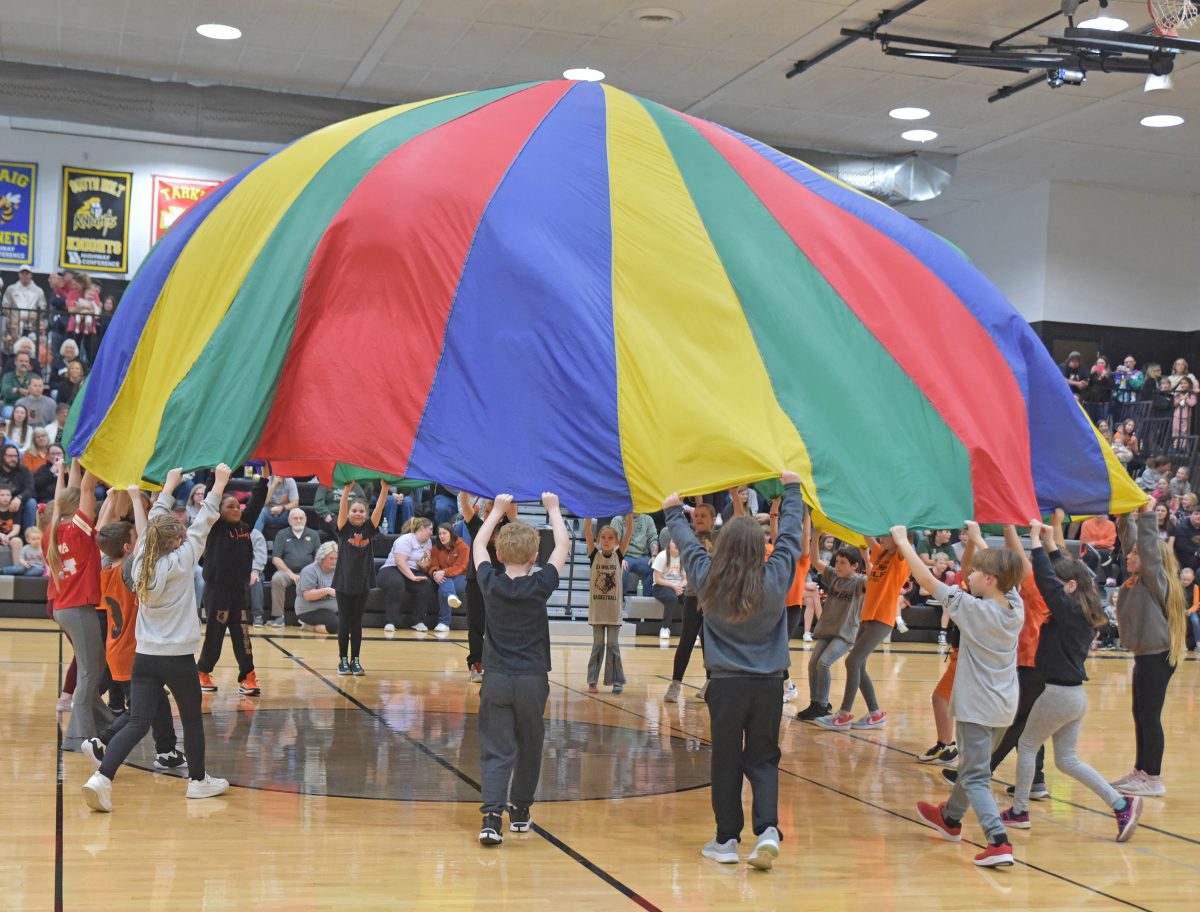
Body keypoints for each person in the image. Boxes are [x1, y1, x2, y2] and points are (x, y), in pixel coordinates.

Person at [664, 472, 803, 870]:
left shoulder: (707, 577)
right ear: (760, 547)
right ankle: (768, 830)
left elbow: (687, 542)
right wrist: (792, 490)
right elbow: (791, 537)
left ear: (722, 545)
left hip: (725, 685)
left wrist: (672, 508)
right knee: (764, 758)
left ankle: (726, 840)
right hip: (769, 685)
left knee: (726, 759)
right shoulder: (775, 576)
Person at [81, 467, 231, 812]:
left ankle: (101, 778)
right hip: (177, 658)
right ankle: (198, 781)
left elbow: (154, 524)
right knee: (191, 719)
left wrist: (169, 485)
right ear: (176, 541)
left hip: (145, 657)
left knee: (137, 721)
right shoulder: (183, 559)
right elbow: (205, 519)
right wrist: (220, 482)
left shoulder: (140, 561)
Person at [1000, 519, 1143, 842]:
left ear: (1071, 587)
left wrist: (1036, 542)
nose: (1055, 585)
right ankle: (1121, 804)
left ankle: (1019, 811)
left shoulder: (1070, 611)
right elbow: (1063, 573)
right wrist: (1051, 544)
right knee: (1066, 760)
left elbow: (1047, 580)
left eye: (1061, 583)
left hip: (1058, 694)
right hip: (1073, 697)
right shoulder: (1081, 609)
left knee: (1027, 745)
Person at [895, 520, 1025, 868]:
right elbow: (1005, 574)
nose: (970, 575)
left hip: (977, 707)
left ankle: (998, 841)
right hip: (1004, 707)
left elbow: (927, 581)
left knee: (976, 776)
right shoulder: (1015, 606)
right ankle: (950, 818)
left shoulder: (973, 609)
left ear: (991, 579)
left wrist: (903, 542)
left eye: (977, 572)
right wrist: (978, 538)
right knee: (973, 767)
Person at [474, 491, 568, 846]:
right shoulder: (540, 585)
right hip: (532, 680)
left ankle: (491, 819)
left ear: (499, 555)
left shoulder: (490, 582)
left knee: (496, 747)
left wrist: (496, 511)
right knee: (530, 744)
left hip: (496, 678)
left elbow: (478, 545)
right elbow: (562, 545)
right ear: (535, 557)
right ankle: (520, 810)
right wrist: (553, 509)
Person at [82, 504, 187, 776]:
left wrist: (113, 499)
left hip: (117, 648)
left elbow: (104, 537)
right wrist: (136, 501)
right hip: (131, 650)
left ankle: (167, 752)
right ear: (129, 548)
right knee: (142, 708)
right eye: (132, 541)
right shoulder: (128, 570)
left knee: (157, 700)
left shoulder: (106, 567)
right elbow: (145, 537)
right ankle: (101, 741)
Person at [1110, 503, 1188, 797]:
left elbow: (1146, 546)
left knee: (1150, 716)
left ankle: (1153, 778)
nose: (1130, 556)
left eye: (1136, 554)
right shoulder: (1140, 577)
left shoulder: (1156, 579)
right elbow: (1133, 542)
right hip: (1146, 656)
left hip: (1157, 657)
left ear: (1150, 559)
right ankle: (1141, 771)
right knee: (1140, 714)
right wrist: (1124, 517)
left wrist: (1146, 514)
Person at [47, 460, 110, 752]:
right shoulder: (79, 531)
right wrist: (96, 458)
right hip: (78, 608)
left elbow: (72, 492)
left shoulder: (52, 532)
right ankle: (78, 736)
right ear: (79, 508)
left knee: (91, 667)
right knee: (90, 672)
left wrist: (74, 461)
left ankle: (105, 722)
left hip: (62, 607)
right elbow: (85, 488)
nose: (94, 509)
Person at [817, 536, 909, 730]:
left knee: (852, 662)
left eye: (886, 535)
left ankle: (843, 714)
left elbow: (903, 540)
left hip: (882, 619)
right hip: (867, 617)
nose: (881, 537)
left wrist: (899, 532)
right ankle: (875, 713)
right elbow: (867, 535)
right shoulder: (881, 554)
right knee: (859, 666)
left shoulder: (900, 558)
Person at [196, 473, 268, 697]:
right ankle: (203, 672)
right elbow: (210, 498)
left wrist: (264, 480)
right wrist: (215, 476)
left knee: (242, 635)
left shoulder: (245, 525)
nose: (236, 509)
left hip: (239, 592)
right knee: (215, 635)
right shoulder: (215, 526)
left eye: (238, 506)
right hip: (217, 592)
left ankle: (248, 675)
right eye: (230, 507)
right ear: (218, 510)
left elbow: (256, 503)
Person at [795, 542, 866, 722]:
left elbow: (874, 580)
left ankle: (823, 704)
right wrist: (816, 536)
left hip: (845, 633)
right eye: (837, 561)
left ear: (855, 566)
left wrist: (866, 554)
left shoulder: (859, 582)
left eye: (843, 562)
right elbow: (815, 559)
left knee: (824, 663)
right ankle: (815, 703)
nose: (837, 565)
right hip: (828, 630)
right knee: (813, 664)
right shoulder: (834, 576)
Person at [662, 502, 720, 704]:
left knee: (709, 641)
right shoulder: (689, 538)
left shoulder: (719, 538)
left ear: (713, 519)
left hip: (713, 598)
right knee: (686, 639)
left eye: (704, 515)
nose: (699, 519)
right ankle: (675, 684)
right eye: (696, 515)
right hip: (693, 596)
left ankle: (711, 683)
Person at [332, 479, 389, 675]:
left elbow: (379, 509)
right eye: (354, 511)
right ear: (349, 513)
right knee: (344, 621)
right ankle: (342, 660)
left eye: (361, 511)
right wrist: (347, 491)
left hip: (363, 582)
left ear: (366, 514)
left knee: (356, 622)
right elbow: (341, 509)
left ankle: (355, 660)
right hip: (343, 582)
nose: (358, 514)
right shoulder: (344, 528)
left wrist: (385, 490)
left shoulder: (369, 529)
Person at [460, 492, 517, 683]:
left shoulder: (505, 528)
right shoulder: (477, 526)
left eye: (492, 511)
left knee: (497, 625)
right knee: (475, 625)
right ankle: (476, 665)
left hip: (497, 582)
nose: (487, 514)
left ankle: (496, 664)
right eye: (486, 511)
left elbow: (513, 508)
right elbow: (465, 503)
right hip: (475, 582)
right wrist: (465, 490)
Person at [583, 515, 633, 694]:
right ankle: (592, 680)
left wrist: (629, 514)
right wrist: (588, 511)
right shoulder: (593, 555)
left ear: (616, 542)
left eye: (611, 538)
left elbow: (629, 531)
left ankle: (616, 680)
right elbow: (587, 529)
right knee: (598, 644)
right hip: (597, 612)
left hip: (613, 612)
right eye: (603, 537)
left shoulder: (618, 556)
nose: (606, 540)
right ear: (598, 540)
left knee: (612, 644)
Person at [379, 516, 438, 632]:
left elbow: (423, 565)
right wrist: (412, 577)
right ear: (422, 528)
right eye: (430, 529)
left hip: (412, 570)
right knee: (397, 583)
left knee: (425, 584)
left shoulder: (428, 542)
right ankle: (391, 622)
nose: (432, 532)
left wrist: (426, 560)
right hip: (392, 568)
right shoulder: (405, 539)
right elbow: (399, 561)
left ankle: (418, 621)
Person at [268, 508, 320, 627]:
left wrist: (307, 574)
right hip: (286, 572)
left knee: (317, 579)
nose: (298, 521)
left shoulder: (313, 534)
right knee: (277, 579)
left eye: (301, 518)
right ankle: (278, 617)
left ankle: (308, 618)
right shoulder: (282, 534)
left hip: (307, 573)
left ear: (305, 520)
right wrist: (290, 574)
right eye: (295, 518)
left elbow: (319, 558)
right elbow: (276, 558)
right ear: (289, 520)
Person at [430, 523, 469, 631]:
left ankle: (444, 622)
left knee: (444, 585)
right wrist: (435, 573)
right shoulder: (435, 548)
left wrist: (443, 572)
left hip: (461, 577)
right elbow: (433, 565)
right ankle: (451, 596)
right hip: (443, 578)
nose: (441, 536)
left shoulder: (463, 547)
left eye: (444, 533)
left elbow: (461, 567)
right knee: (445, 582)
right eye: (439, 534)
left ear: (451, 534)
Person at [610, 512, 658, 597]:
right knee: (620, 567)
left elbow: (653, 539)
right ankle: (622, 598)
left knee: (657, 567)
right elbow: (614, 541)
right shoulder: (618, 519)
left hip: (642, 556)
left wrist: (654, 556)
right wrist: (619, 558)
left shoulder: (648, 519)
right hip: (625, 556)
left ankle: (647, 598)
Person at [295, 542, 339, 634]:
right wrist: (327, 590)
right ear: (322, 557)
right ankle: (310, 627)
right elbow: (308, 596)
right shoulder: (310, 571)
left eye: (336, 558)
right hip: (310, 610)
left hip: (331, 610)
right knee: (336, 625)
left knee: (351, 623)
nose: (334, 561)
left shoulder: (337, 571)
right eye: (331, 558)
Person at [652, 534, 686, 640]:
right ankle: (664, 628)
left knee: (690, 597)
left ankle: (689, 631)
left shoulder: (684, 557)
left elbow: (686, 579)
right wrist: (674, 586)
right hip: (660, 586)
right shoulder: (662, 556)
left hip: (678, 586)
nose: (676, 544)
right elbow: (658, 579)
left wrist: (680, 586)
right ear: (669, 544)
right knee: (672, 598)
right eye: (673, 542)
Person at [2, 266, 46, 336]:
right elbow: (5, 305)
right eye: (22, 273)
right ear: (19, 274)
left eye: (27, 274)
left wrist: (31, 316)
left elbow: (42, 308)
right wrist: (13, 318)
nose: (25, 276)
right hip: (14, 325)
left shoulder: (38, 291)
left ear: (31, 275)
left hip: (32, 326)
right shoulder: (11, 289)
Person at [256, 473, 299, 541]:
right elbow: (263, 503)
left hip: (284, 514)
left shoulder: (290, 481)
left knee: (296, 512)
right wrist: (273, 486)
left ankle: (296, 541)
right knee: (260, 512)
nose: (279, 474)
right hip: (268, 513)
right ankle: (255, 540)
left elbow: (295, 503)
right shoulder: (267, 480)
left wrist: (283, 508)